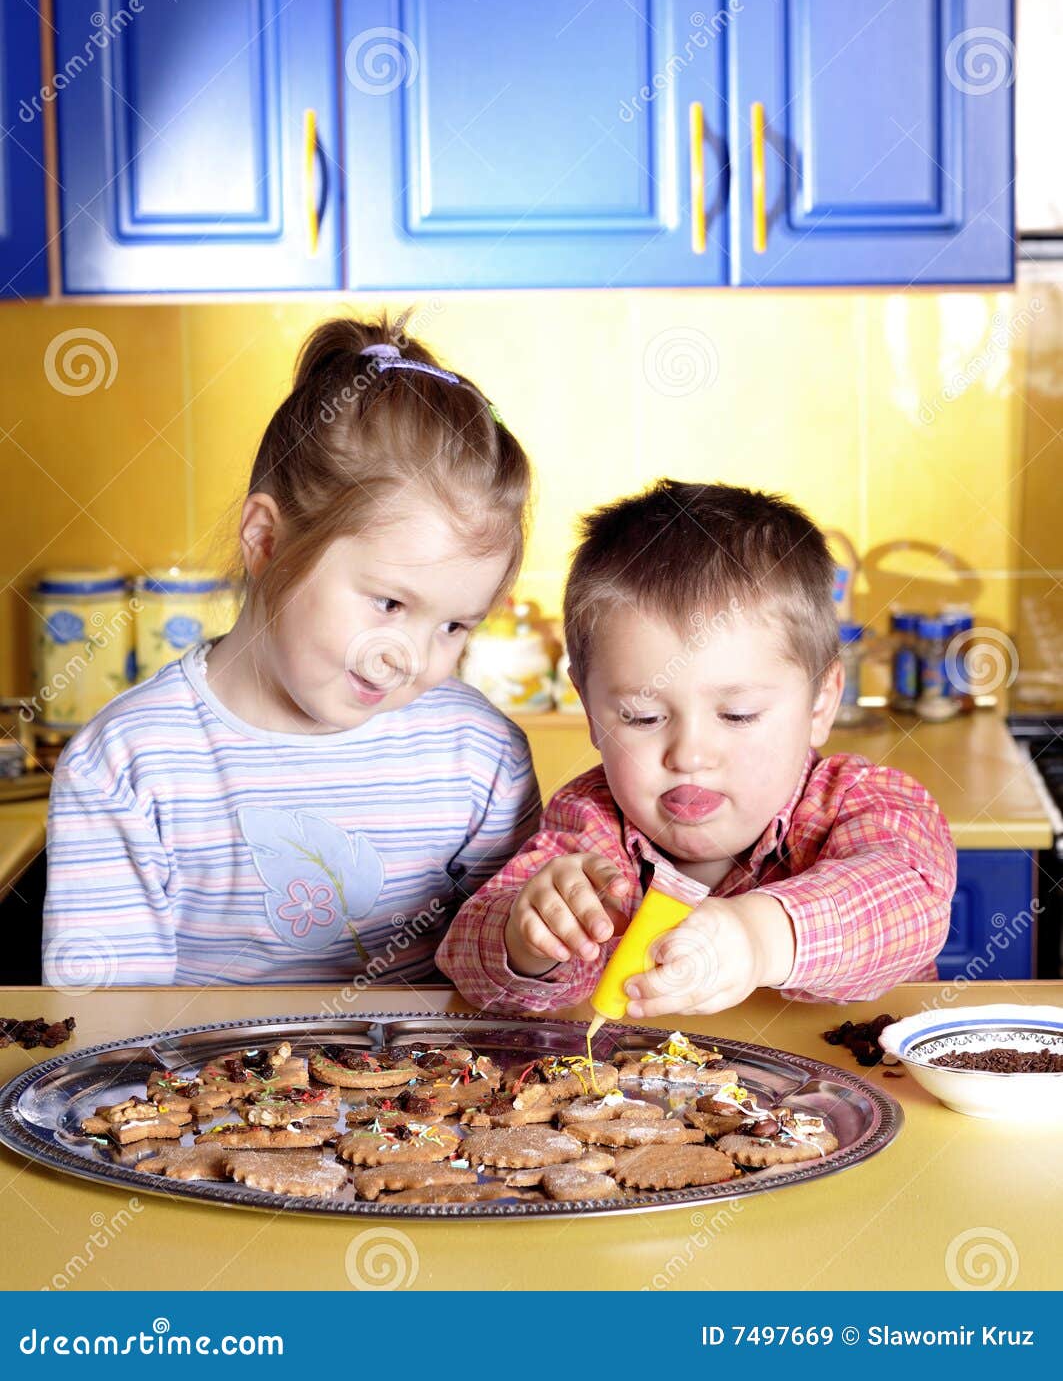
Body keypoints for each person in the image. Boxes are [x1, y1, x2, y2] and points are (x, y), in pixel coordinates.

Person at [42, 314, 540, 986]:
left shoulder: (481, 757)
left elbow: (506, 995)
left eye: (455, 626)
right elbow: (106, 1038)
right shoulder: (128, 766)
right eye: (389, 604)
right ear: (266, 542)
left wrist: (535, 947)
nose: (413, 659)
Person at [438, 481, 957, 1015]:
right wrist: (527, 941)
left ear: (821, 703)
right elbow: (468, 959)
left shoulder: (866, 803)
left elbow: (908, 899)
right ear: (591, 712)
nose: (688, 754)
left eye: (738, 715)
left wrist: (756, 938)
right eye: (643, 717)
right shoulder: (589, 825)